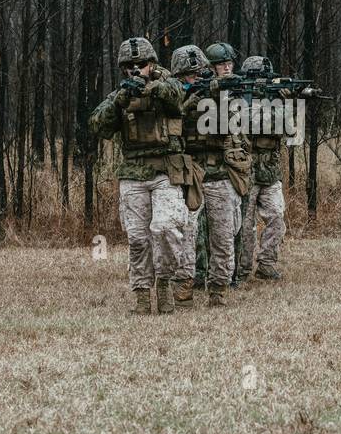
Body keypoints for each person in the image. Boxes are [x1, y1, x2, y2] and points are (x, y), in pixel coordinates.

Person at [87, 37, 198, 315]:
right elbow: (98, 125)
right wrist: (121, 100)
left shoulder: (167, 84)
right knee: (137, 239)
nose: (136, 70)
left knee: (166, 228)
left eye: (142, 64)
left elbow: (178, 97)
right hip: (133, 175)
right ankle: (141, 296)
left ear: (152, 64)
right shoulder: (121, 95)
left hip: (166, 172)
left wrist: (153, 88)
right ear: (123, 68)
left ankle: (163, 283)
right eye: (130, 66)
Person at [170, 44, 249, 307]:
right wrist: (192, 98)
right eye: (187, 76)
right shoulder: (173, 95)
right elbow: (171, 121)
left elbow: (233, 126)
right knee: (186, 234)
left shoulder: (222, 94)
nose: (193, 79)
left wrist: (216, 96)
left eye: (197, 74)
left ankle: (219, 290)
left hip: (219, 173)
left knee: (224, 235)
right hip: (189, 172)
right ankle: (184, 289)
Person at [235, 55, 288, 282]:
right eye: (256, 78)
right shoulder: (238, 99)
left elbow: (288, 130)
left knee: (277, 216)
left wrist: (283, 104)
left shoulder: (276, 100)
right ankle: (242, 268)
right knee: (245, 225)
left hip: (270, 169)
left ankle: (267, 263)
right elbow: (247, 126)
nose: (261, 82)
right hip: (246, 168)